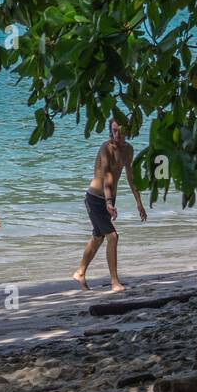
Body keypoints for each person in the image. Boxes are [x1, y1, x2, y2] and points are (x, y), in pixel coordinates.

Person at [75, 117, 147, 292]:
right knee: (113, 237)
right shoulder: (106, 148)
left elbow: (131, 177)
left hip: (109, 200)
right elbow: (107, 176)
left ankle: (80, 272)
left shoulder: (128, 150)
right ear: (111, 131)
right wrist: (108, 202)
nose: (118, 134)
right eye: (114, 131)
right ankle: (115, 282)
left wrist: (139, 203)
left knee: (98, 237)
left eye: (121, 131)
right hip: (95, 198)